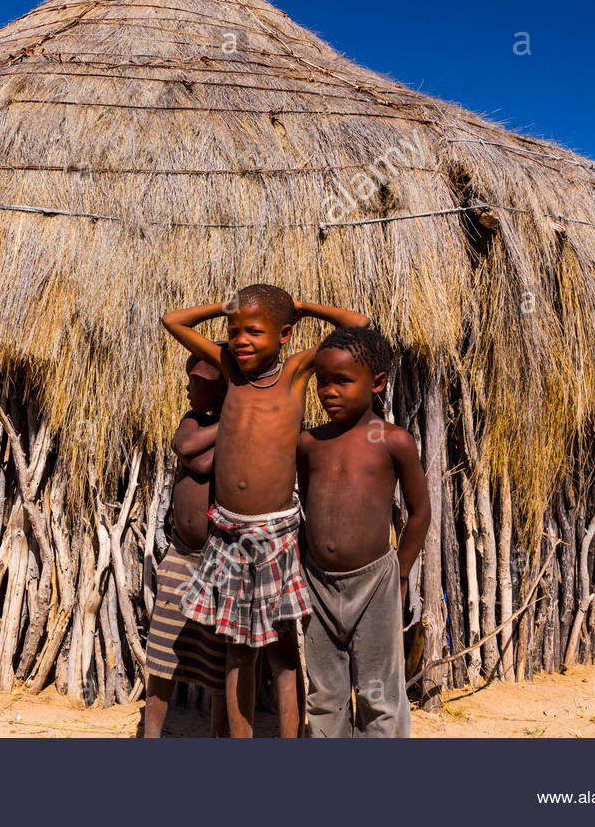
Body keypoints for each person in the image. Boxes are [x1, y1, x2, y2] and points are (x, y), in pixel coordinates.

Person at [161, 284, 370, 738]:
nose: (241, 340)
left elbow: (358, 326)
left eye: (254, 331)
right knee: (238, 648)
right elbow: (172, 320)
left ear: (286, 335)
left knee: (281, 650)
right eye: (233, 330)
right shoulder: (230, 371)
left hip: (274, 535)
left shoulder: (295, 373)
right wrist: (225, 306)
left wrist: (304, 305)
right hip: (229, 535)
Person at [297, 326, 431, 737]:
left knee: (379, 692)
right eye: (322, 381)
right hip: (316, 582)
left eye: (342, 381)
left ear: (376, 383)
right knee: (324, 693)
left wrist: (402, 572)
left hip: (375, 582)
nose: (329, 391)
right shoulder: (309, 443)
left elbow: (420, 511)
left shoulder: (393, 441)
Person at [144, 353, 229, 737]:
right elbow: (190, 453)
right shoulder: (195, 420)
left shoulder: (245, 433)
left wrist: (232, 425)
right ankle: (152, 735)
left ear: (219, 384)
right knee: (161, 654)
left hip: (221, 560)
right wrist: (231, 421)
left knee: (218, 659)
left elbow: (208, 462)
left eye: (193, 381)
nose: (186, 388)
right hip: (182, 555)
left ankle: (216, 736)